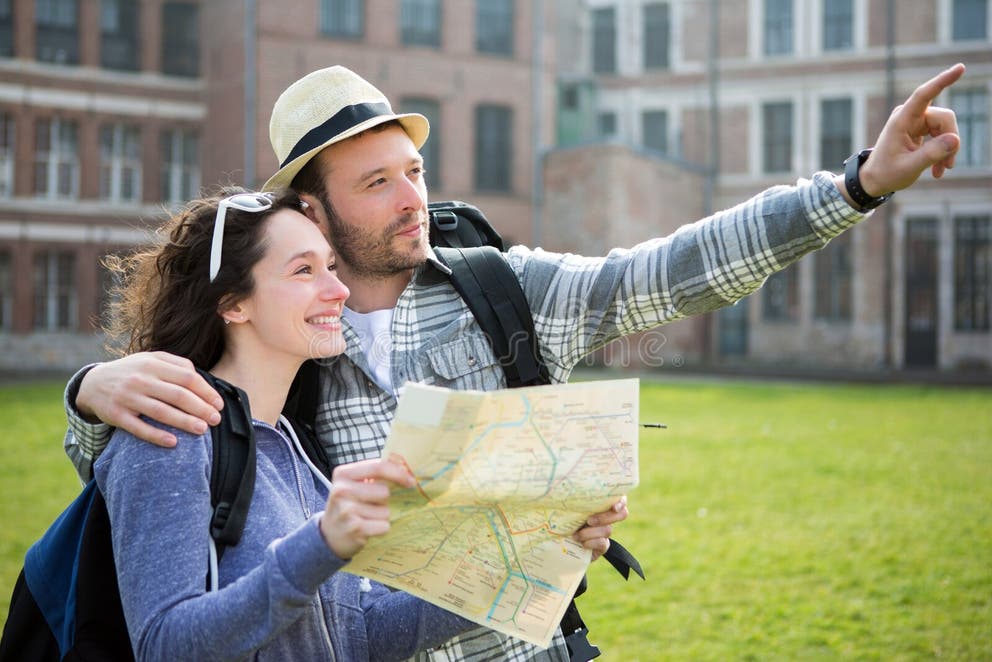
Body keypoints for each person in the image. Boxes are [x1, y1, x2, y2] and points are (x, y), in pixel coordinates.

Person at [63, 62, 965, 661]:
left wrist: (855, 187)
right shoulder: (282, 335)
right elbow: (152, 478)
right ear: (313, 204)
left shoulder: (505, 293)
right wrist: (89, 393)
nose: (413, 197)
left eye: (413, 169)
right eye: (376, 183)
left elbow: (672, 272)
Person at [91, 187, 476, 660]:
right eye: (303, 271)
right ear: (234, 304)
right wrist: (320, 544)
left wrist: (517, 566)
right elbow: (165, 644)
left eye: (331, 267)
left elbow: (356, 638)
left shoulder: (295, 447)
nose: (339, 291)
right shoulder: (173, 433)